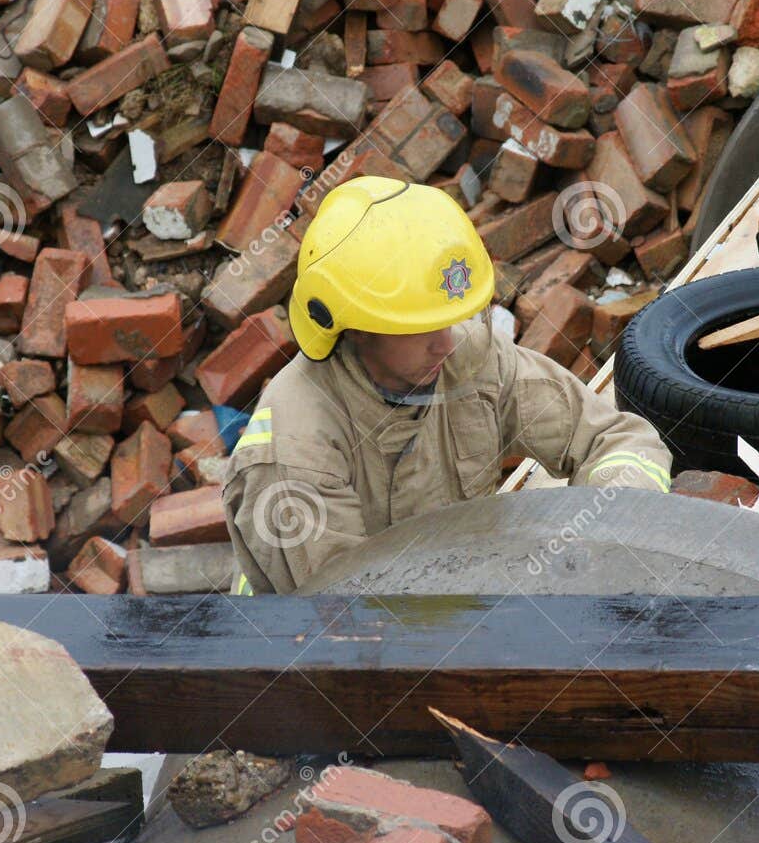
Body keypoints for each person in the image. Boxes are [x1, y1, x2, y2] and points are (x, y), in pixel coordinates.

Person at [221, 176, 673, 595]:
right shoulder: (295, 451)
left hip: (453, 607)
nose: (445, 343)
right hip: (315, 661)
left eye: (450, 320)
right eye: (420, 328)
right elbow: (350, 623)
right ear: (355, 327)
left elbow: (613, 439)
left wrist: (616, 528)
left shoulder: (467, 358)